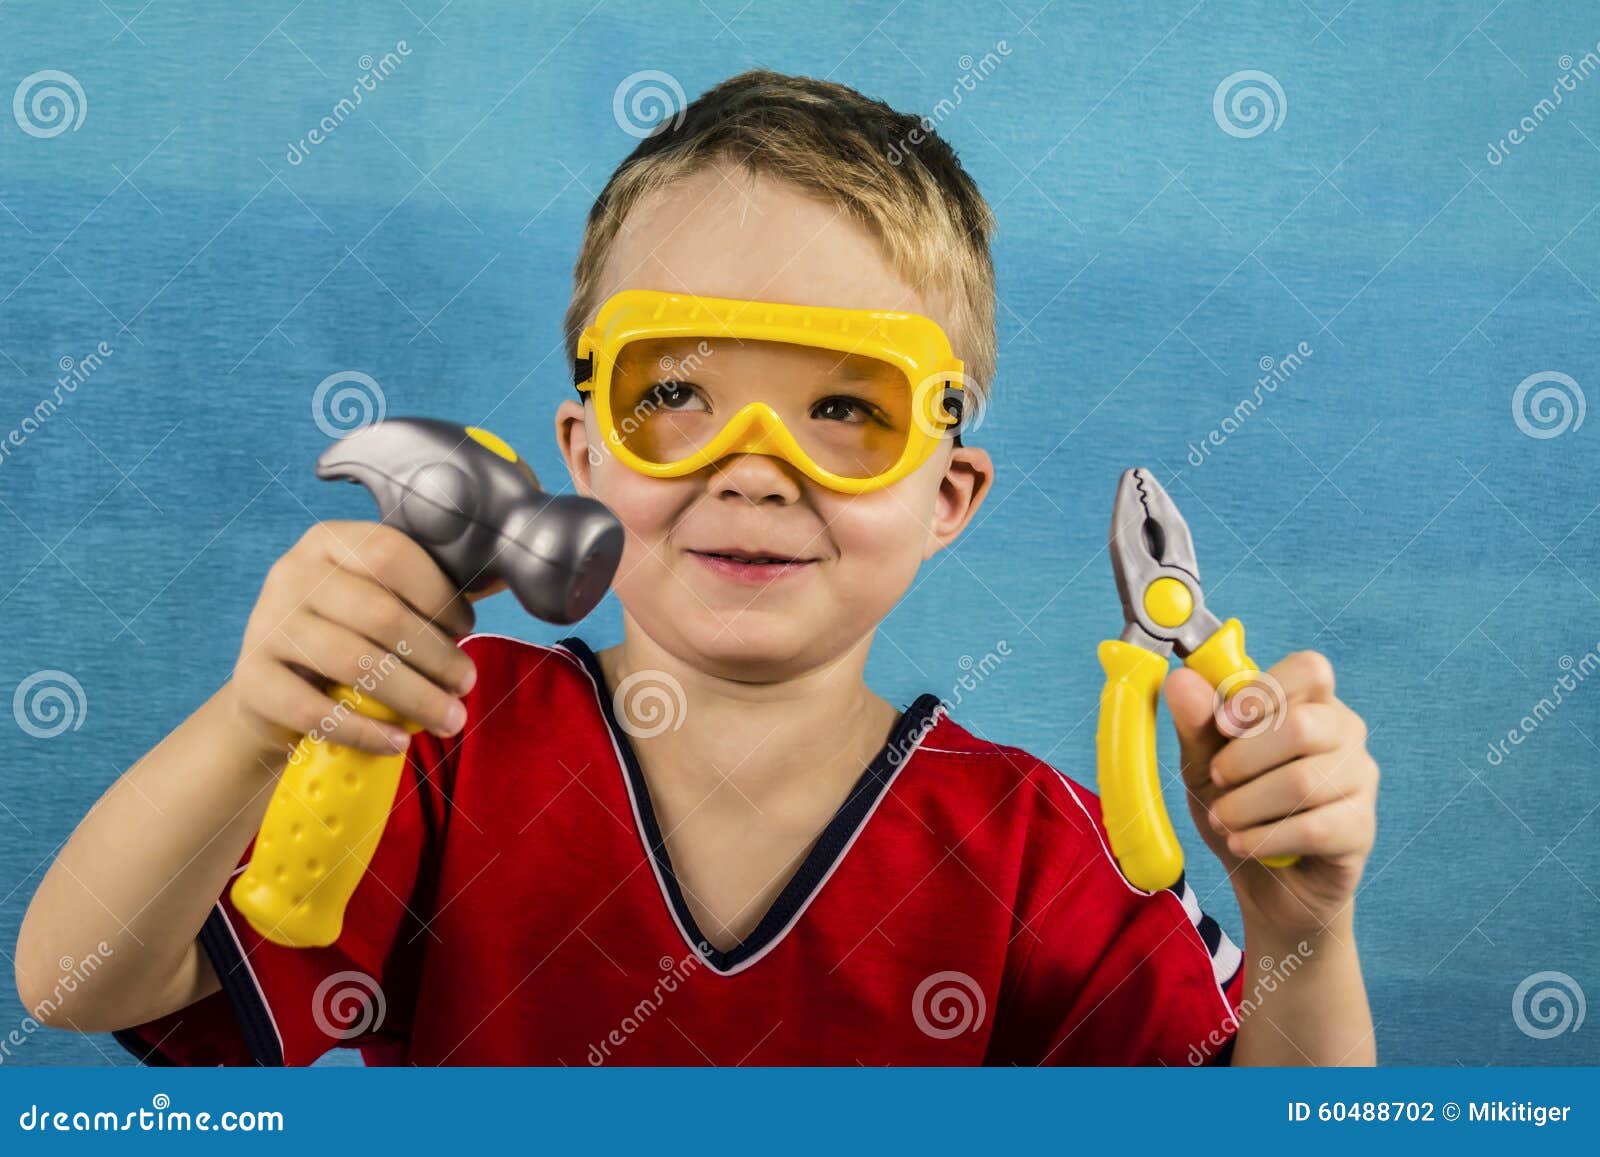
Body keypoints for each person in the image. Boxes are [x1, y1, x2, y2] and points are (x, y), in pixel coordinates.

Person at [14, 69, 1379, 1066]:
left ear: (948, 491)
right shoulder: (431, 734)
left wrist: (1298, 920)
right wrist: (258, 721)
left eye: (848, 408)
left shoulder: (1049, 861)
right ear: (582, 449)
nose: (751, 463)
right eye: (677, 391)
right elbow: (78, 981)